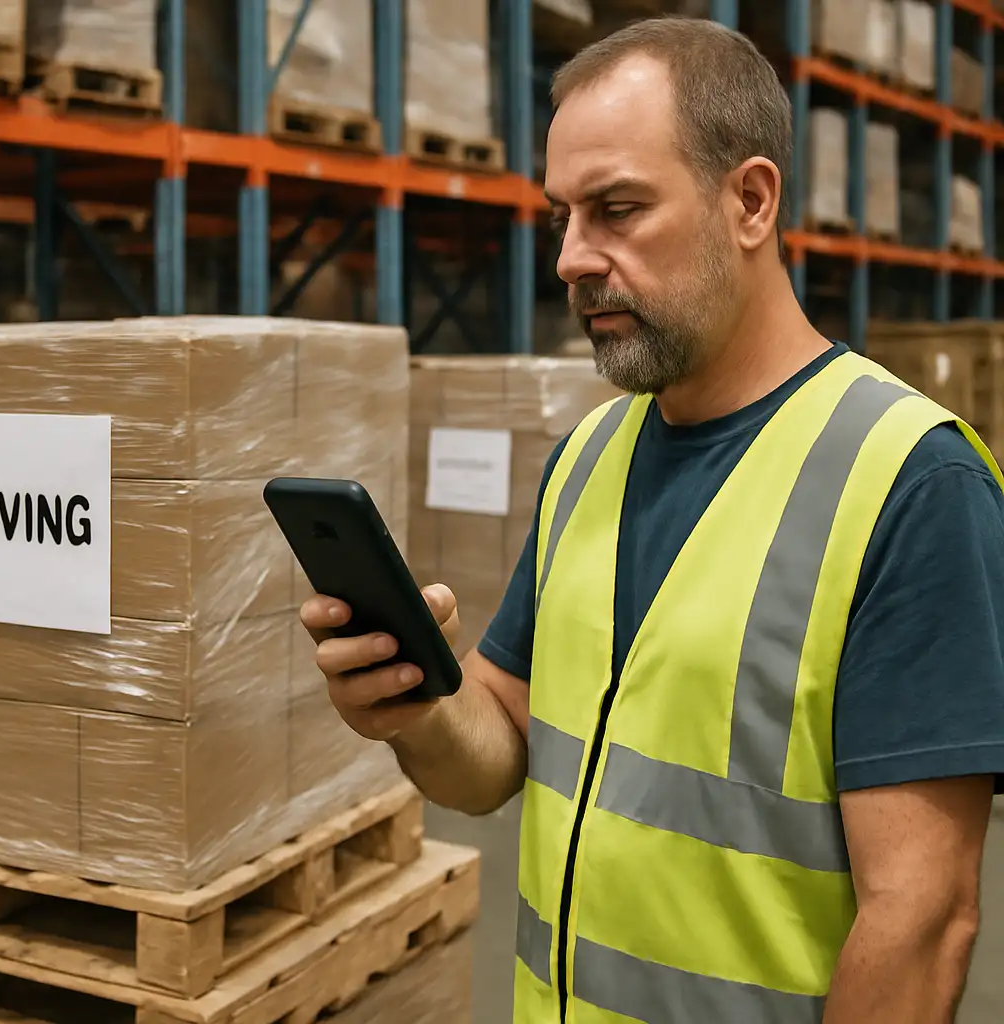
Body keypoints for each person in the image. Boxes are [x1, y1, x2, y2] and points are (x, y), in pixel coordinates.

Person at [302, 18, 1004, 1024]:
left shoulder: (908, 482)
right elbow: (495, 754)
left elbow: (924, 919)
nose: (573, 260)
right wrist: (416, 694)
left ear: (750, 201)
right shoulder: (590, 458)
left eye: (617, 210)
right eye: (563, 218)